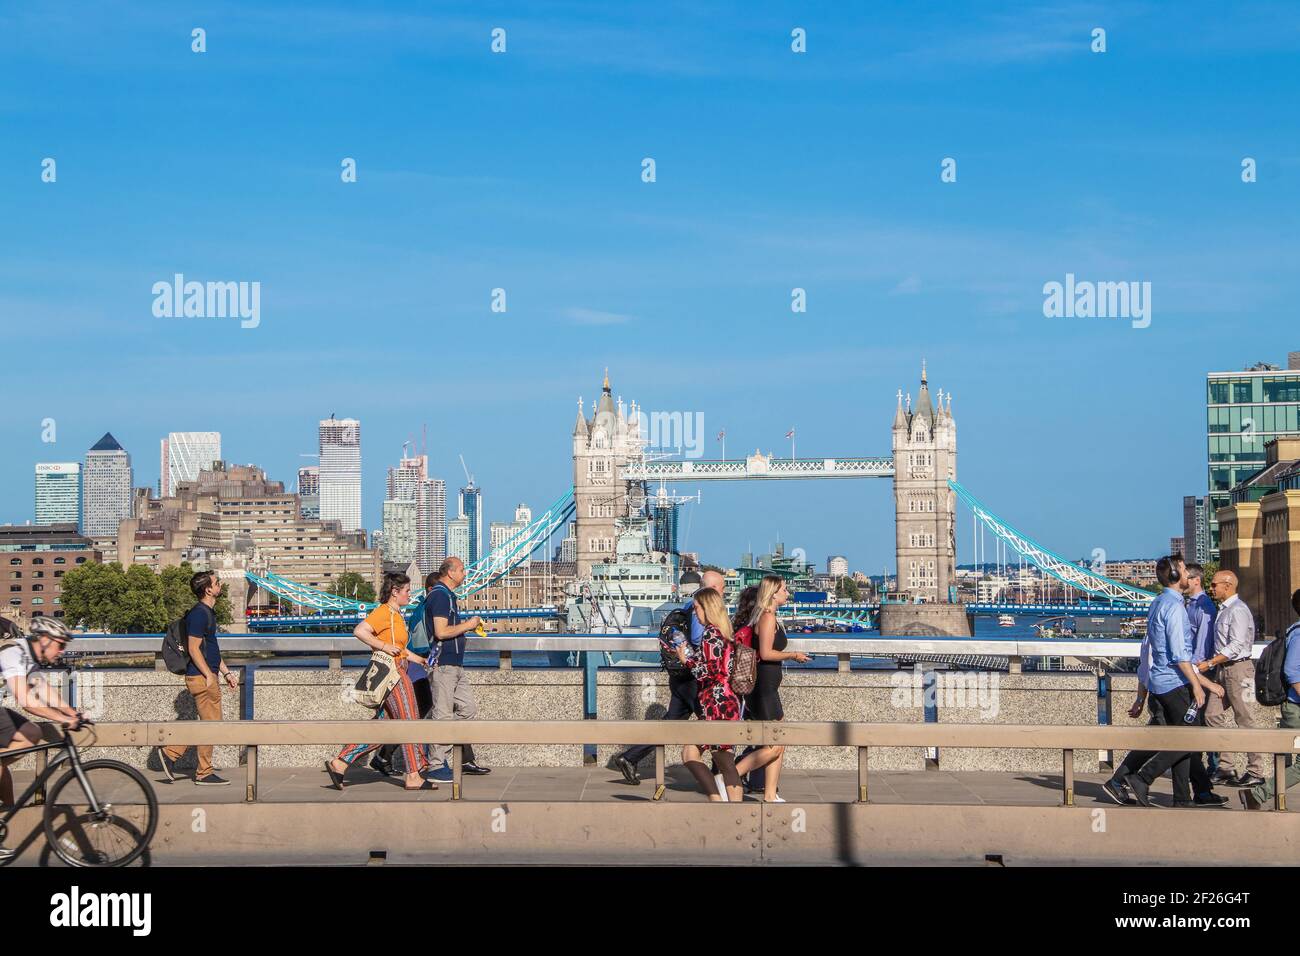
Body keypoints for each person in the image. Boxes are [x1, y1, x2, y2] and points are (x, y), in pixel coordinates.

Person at [1118, 556, 1223, 808]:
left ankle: (1182, 797)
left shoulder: (1158, 601)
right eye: (1185, 569)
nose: (1188, 574)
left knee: (1179, 739)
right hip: (1174, 682)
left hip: (1158, 682)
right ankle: (1142, 777)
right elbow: (1179, 654)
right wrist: (1198, 685)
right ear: (1176, 576)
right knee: (1189, 738)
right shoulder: (1175, 607)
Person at [325, 573, 436, 791]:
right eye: (406, 590)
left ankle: (340, 763)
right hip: (393, 676)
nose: (409, 594)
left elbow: (400, 648)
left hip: (399, 669)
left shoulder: (396, 615)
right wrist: (384, 647)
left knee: (384, 728)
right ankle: (413, 775)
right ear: (395, 592)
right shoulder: (384, 612)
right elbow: (360, 631)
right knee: (410, 721)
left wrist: (420, 659)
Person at [611, 568, 722, 785]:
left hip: (679, 675)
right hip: (694, 677)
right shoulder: (700, 609)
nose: (724, 592)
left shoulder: (689, 605)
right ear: (712, 589)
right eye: (722, 587)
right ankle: (722, 776)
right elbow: (700, 641)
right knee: (716, 725)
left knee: (671, 723)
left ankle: (629, 757)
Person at [675, 587, 783, 803]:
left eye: (697, 608)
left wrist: (686, 660)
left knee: (715, 761)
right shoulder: (722, 633)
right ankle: (722, 804)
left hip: (718, 706)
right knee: (705, 758)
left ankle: (727, 807)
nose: (695, 613)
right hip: (722, 704)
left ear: (707, 608)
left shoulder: (710, 635)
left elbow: (712, 672)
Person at [1, 617, 87, 861]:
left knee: (31, 734)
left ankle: (7, 822)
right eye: (60, 645)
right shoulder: (13, 652)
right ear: (45, 640)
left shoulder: (28, 655)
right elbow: (27, 701)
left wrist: (71, 712)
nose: (62, 651)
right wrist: (61, 720)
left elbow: (41, 689)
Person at [156, 571, 238, 786]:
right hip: (201, 678)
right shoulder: (200, 614)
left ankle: (171, 754)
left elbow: (210, 649)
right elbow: (193, 648)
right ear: (208, 589)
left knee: (210, 724)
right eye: (216, 582)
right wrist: (209, 675)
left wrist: (226, 672)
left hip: (206, 675)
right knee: (212, 726)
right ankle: (201, 771)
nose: (220, 584)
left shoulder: (207, 612)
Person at [743, 575, 811, 801]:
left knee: (777, 742)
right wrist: (793, 655)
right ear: (773, 593)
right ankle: (731, 774)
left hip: (768, 686)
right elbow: (765, 654)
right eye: (784, 589)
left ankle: (770, 793)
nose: (787, 593)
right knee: (776, 743)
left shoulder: (768, 616)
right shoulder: (767, 617)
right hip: (764, 687)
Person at [1200, 569, 1268, 789]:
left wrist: (1210, 662)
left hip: (1240, 669)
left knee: (1245, 718)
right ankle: (1226, 767)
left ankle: (1256, 770)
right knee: (1212, 714)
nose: (1211, 588)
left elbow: (1236, 645)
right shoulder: (1224, 610)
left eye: (1214, 585)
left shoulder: (1238, 610)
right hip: (1223, 670)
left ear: (1227, 585)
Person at [424, 558, 490, 782]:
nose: (465, 574)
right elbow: (441, 632)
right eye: (462, 570)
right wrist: (469, 625)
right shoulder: (440, 596)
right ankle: (435, 765)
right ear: (450, 573)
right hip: (443, 664)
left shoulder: (449, 596)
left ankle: (437, 747)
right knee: (442, 715)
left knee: (468, 709)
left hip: (455, 664)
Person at [1241, 588, 1300, 810]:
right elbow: (1292, 671)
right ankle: (1257, 794)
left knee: (1285, 758)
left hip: (1293, 707)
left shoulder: (1293, 630)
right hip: (1297, 708)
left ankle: (1267, 797)